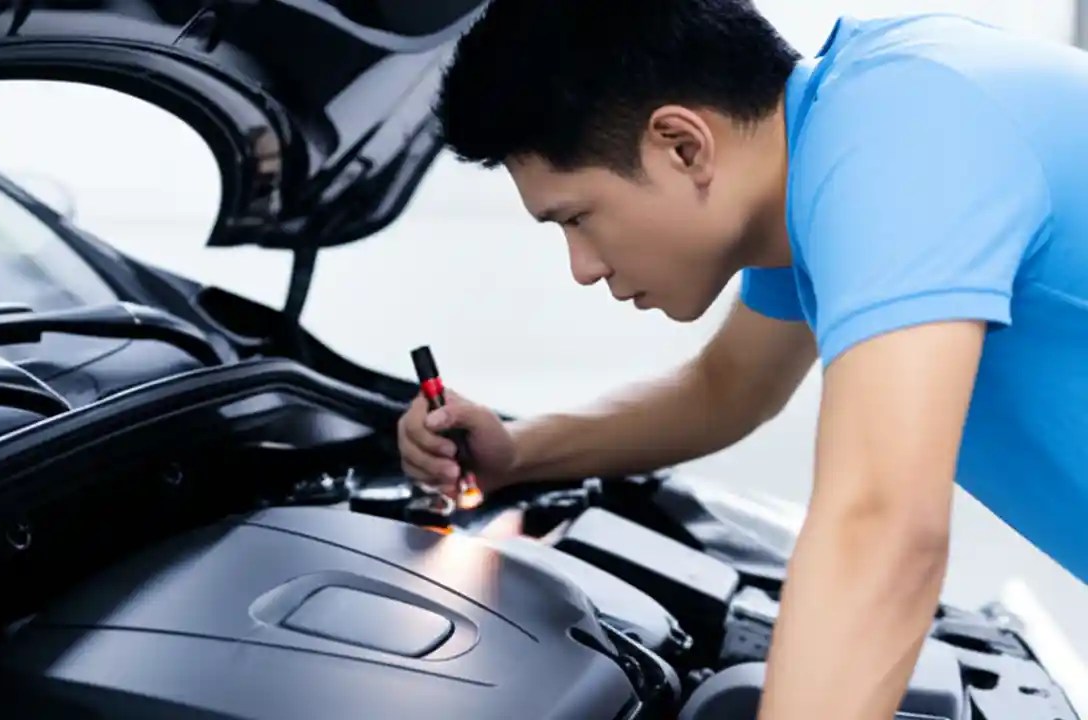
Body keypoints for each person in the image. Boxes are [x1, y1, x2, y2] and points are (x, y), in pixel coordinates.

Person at [395, 1, 1088, 717]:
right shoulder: (844, 134)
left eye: (576, 217)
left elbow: (882, 529)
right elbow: (728, 388)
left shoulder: (899, 147)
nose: (581, 265)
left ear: (684, 146)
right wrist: (518, 452)